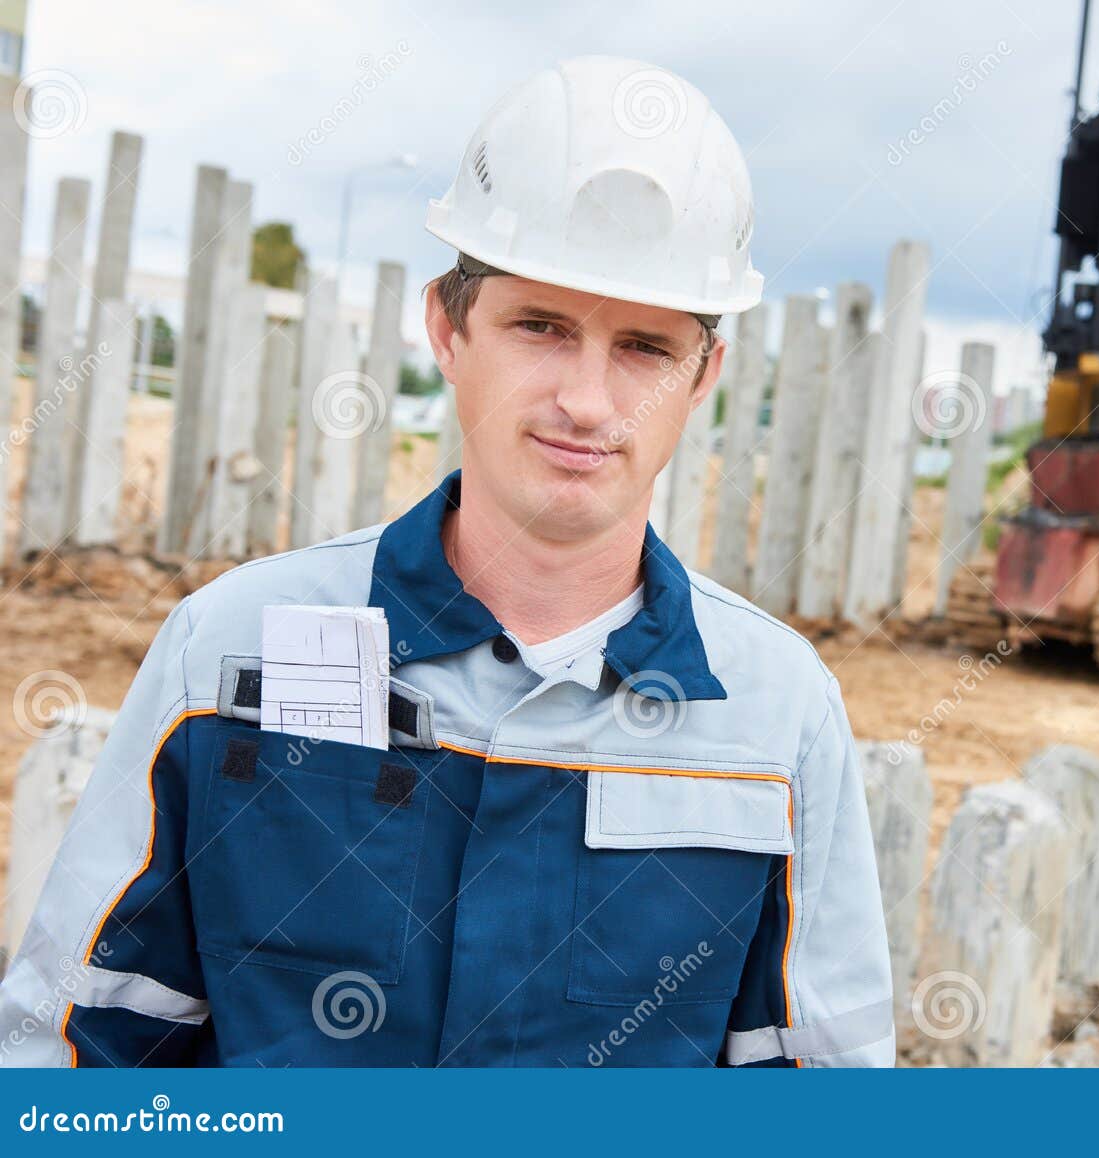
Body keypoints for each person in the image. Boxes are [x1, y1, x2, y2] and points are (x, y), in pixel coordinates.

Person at [0, 55, 893, 1068]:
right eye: (540, 327)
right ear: (447, 327)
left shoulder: (775, 717)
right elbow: (77, 1047)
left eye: (643, 347)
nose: (589, 402)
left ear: (705, 379)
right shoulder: (234, 651)